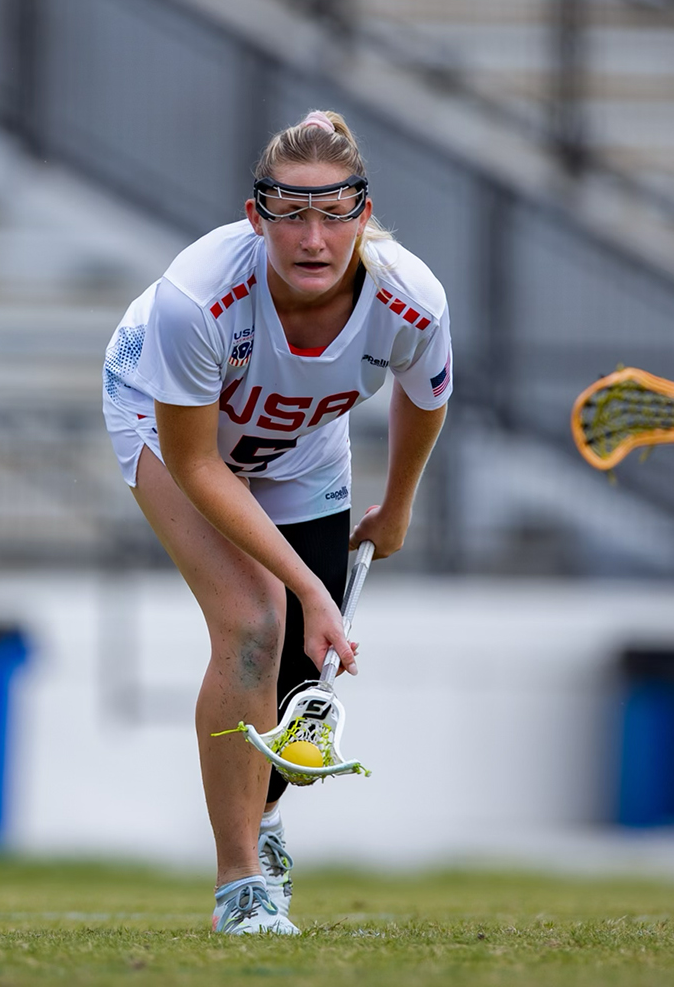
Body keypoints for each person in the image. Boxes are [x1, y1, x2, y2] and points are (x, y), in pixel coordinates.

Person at [101, 111, 450, 934]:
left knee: (299, 683)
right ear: (255, 215)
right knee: (257, 622)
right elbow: (197, 465)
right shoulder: (197, 298)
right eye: (290, 211)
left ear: (365, 214)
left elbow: (425, 397)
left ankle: (261, 818)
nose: (313, 236)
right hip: (164, 425)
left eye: (334, 212)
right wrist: (306, 590)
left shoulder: (413, 301)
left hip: (305, 448)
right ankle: (239, 888)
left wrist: (396, 510)